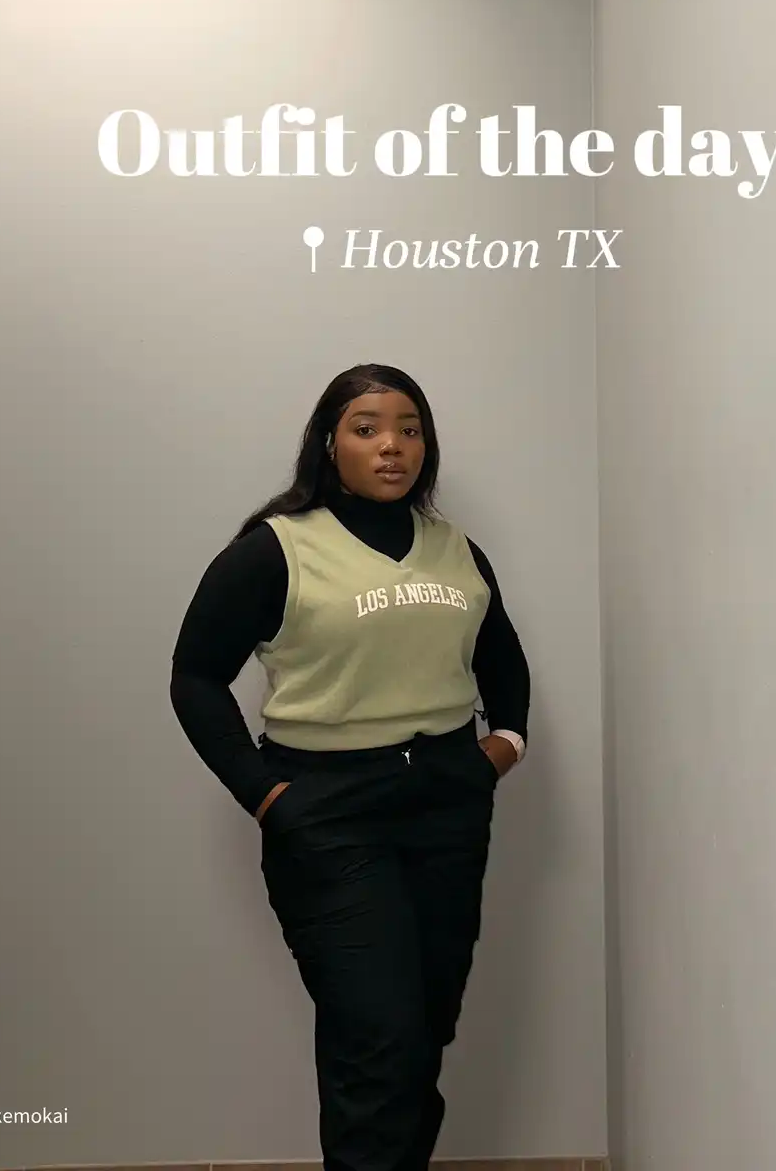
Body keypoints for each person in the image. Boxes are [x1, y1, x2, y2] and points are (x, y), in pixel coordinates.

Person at [170, 363, 531, 1171]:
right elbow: (194, 677)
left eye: (409, 428)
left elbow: (501, 657)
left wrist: (504, 746)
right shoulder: (278, 550)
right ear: (330, 445)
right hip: (329, 811)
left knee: (425, 1028)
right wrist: (267, 794)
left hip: (445, 802)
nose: (391, 445)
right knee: (378, 1036)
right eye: (367, 429)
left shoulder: (455, 550)